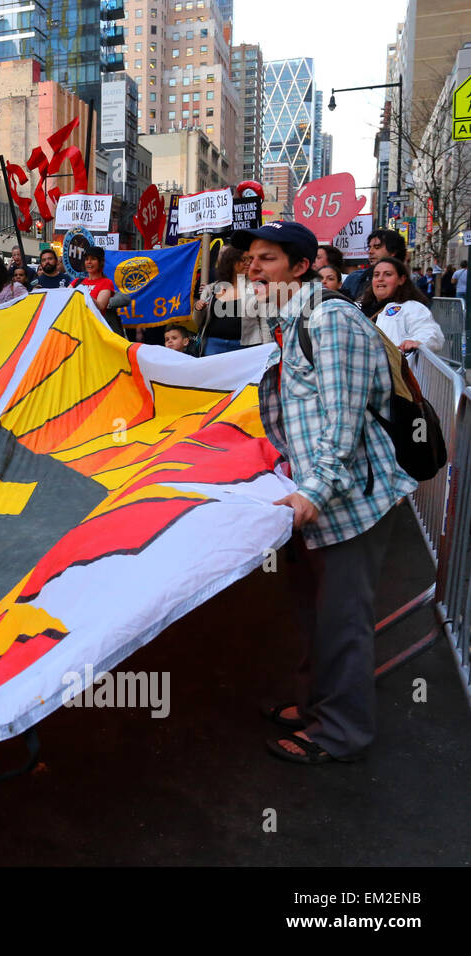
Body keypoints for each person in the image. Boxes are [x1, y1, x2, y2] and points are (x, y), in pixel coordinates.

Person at [233, 220, 414, 765]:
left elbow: (344, 422)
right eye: (250, 260)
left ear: (302, 266)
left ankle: (341, 733)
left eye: (266, 259)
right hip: (318, 499)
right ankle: (315, 703)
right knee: (315, 616)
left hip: (349, 503)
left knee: (342, 622)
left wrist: (313, 492)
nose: (253, 269)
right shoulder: (292, 323)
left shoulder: (329, 319)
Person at [357, 256, 443, 354]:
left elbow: (429, 333)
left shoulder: (412, 308)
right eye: (376, 275)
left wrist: (417, 342)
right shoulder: (358, 308)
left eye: (388, 274)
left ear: (401, 279)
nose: (380, 279)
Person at [197, 245, 250, 355]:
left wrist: (267, 348)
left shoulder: (255, 288)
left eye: (250, 260)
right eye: (243, 260)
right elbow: (198, 322)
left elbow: (263, 323)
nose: (248, 263)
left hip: (244, 346)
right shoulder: (210, 289)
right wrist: (198, 309)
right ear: (230, 262)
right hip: (214, 345)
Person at [341, 228, 406, 301]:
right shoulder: (354, 278)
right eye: (369, 247)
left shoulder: (410, 298)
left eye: (377, 247)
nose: (370, 251)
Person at [71, 246, 114, 317]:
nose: (89, 262)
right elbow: (65, 299)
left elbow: (100, 306)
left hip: (92, 325)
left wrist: (83, 293)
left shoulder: (106, 282)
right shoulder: (77, 281)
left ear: (100, 262)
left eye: (93, 259)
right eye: (86, 259)